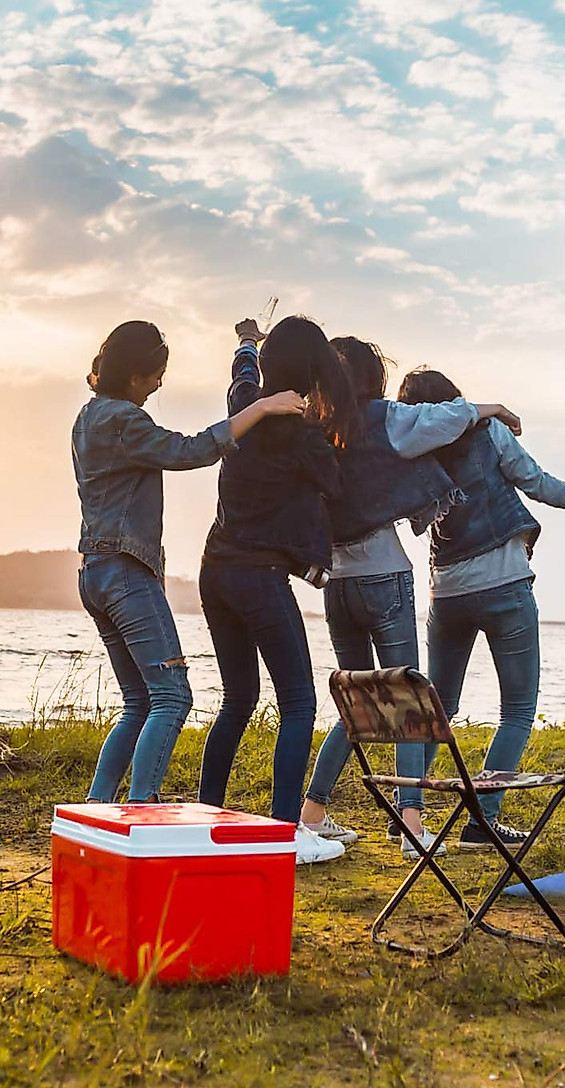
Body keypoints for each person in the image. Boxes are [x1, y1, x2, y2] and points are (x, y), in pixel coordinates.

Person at [297, 338, 522, 856]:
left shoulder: (315, 430)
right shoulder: (383, 419)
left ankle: (311, 816)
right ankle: (412, 828)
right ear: (373, 378)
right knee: (409, 703)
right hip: (383, 577)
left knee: (356, 706)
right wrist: (491, 407)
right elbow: (444, 420)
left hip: (337, 585)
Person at [73, 320, 305, 805]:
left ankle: (96, 812)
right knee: (173, 697)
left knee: (138, 702)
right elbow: (191, 449)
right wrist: (260, 406)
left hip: (93, 571)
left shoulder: (88, 417)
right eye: (155, 374)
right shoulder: (124, 420)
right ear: (135, 375)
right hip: (126, 574)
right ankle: (141, 810)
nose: (159, 383)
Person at [396, 367, 565, 850]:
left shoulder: (411, 453)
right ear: (455, 401)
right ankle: (483, 821)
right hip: (503, 586)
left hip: (446, 592)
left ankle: (408, 813)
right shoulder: (488, 431)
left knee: (441, 707)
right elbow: (535, 481)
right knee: (516, 710)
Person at [196, 316, 358, 866]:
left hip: (214, 569)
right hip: (259, 577)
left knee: (237, 700)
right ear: (313, 372)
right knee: (298, 701)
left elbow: (241, 372)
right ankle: (286, 830)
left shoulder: (246, 406)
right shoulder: (305, 437)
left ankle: (206, 815)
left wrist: (245, 340)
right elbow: (336, 485)